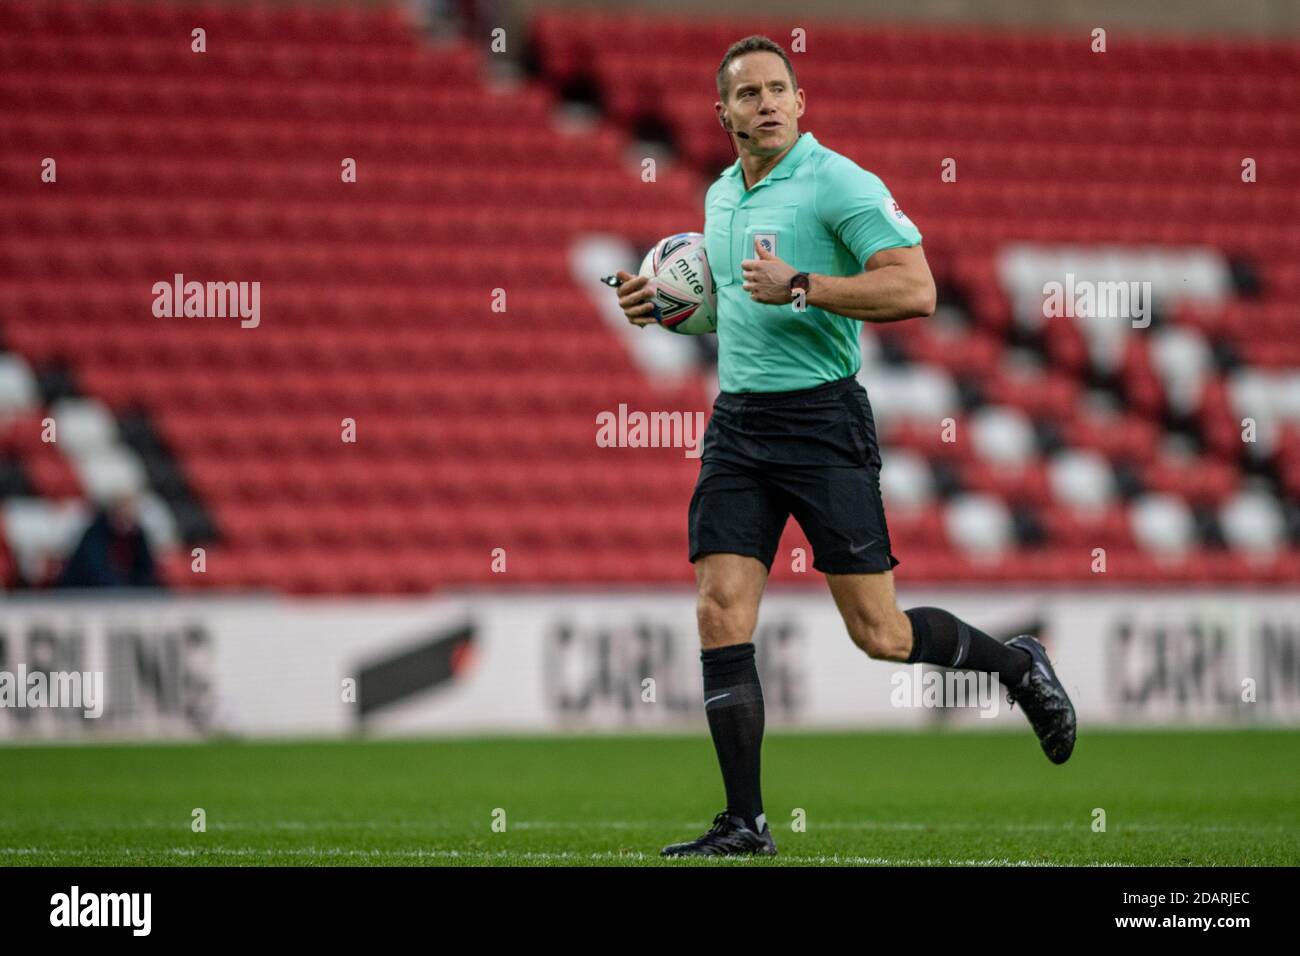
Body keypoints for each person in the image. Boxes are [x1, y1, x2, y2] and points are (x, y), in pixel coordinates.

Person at [613, 36, 1076, 858]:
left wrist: (806, 283)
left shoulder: (839, 182)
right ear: (722, 113)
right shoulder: (721, 196)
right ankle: (745, 822)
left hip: (823, 423)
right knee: (720, 609)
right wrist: (670, 307)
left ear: (801, 102)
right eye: (747, 93)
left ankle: (1014, 664)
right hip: (739, 427)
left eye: (777, 89)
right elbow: (738, 310)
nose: (764, 103)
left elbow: (916, 287)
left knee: (880, 634)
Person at [56, 494, 160, 589]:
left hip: (120, 591)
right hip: (84, 593)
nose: (127, 520)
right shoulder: (95, 533)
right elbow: (95, 570)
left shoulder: (137, 534)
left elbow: (146, 569)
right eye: (123, 514)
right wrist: (125, 588)